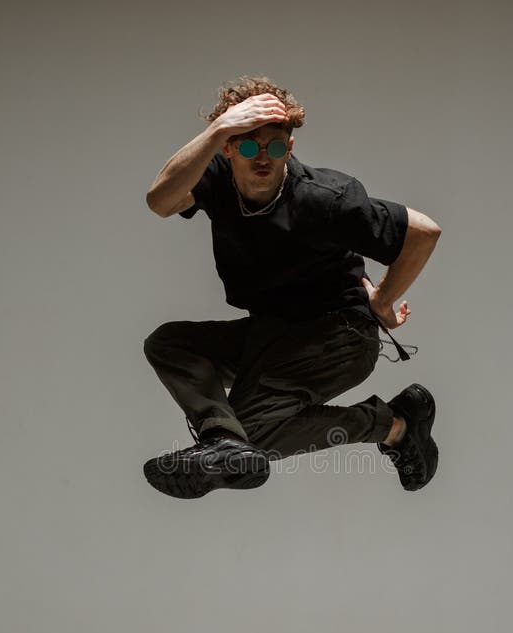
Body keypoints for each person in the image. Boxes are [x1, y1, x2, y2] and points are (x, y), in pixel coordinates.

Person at [143, 75, 442, 500]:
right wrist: (215, 129)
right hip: (274, 334)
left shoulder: (324, 198)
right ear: (228, 148)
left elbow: (423, 232)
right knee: (170, 344)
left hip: (339, 337)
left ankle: (396, 424)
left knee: (253, 438)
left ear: (290, 146)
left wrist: (382, 298)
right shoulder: (216, 178)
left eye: (276, 146)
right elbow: (160, 201)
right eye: (248, 145)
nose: (262, 157)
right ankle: (221, 439)